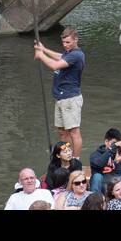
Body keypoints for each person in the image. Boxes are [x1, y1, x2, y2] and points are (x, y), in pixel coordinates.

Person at [33, 27, 85, 160]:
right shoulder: (69, 53)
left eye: (68, 42)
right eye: (63, 42)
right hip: (60, 98)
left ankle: (76, 159)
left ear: (75, 40)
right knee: (62, 132)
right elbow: (60, 56)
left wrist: (41, 55)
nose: (65, 45)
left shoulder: (77, 54)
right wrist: (44, 49)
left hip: (70, 99)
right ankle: (66, 157)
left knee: (74, 132)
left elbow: (55, 65)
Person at [88, 128, 121, 194]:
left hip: (114, 186)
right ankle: (94, 201)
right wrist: (110, 150)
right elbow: (99, 164)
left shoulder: (120, 156)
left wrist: (116, 162)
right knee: (97, 177)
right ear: (106, 142)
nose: (116, 146)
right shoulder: (95, 155)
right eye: (114, 143)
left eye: (117, 144)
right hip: (101, 184)